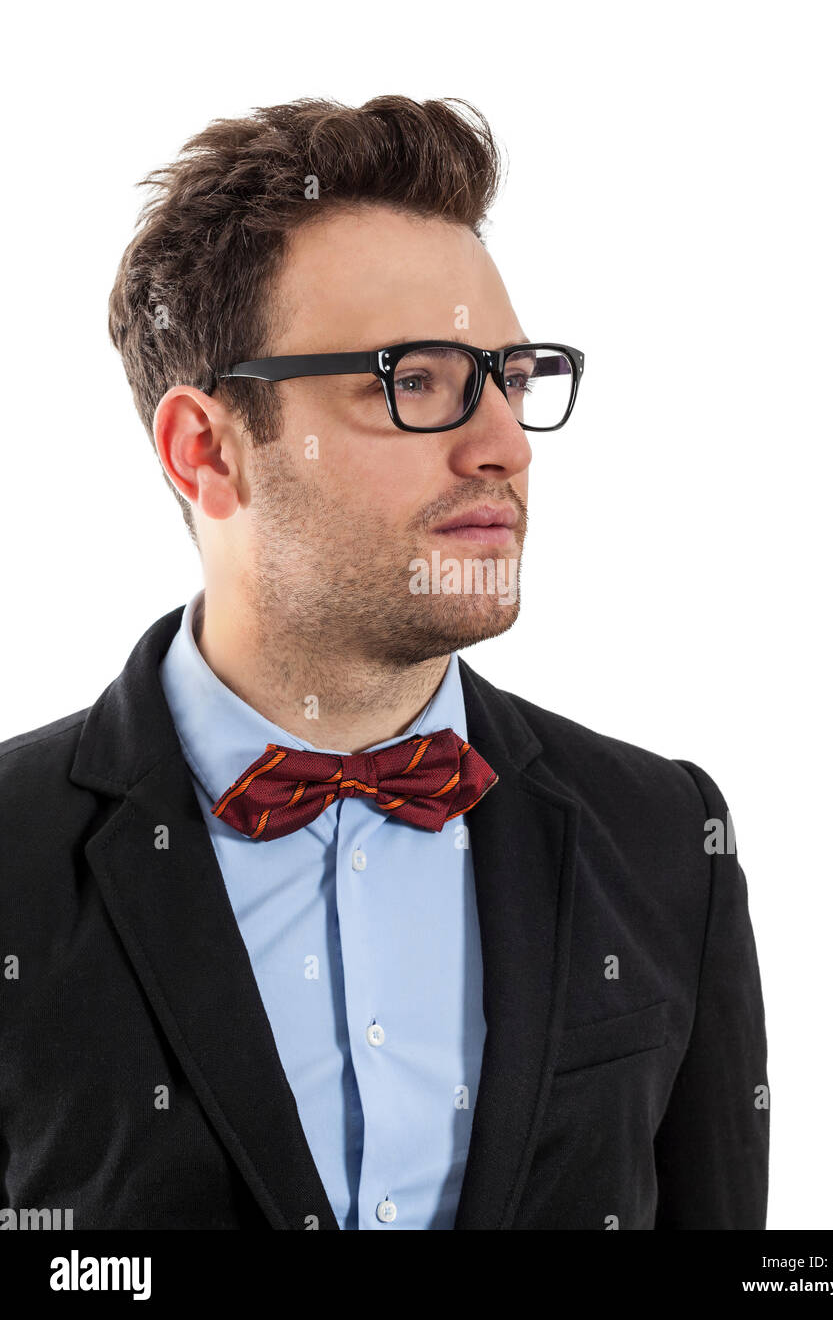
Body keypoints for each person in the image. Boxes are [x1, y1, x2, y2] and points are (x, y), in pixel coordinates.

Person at [0, 95, 768, 1230]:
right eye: (416, 379)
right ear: (206, 451)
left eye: (512, 374)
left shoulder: (664, 837)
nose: (502, 442)